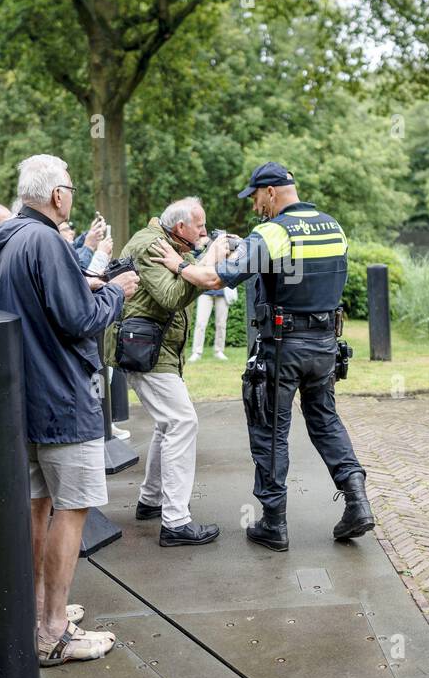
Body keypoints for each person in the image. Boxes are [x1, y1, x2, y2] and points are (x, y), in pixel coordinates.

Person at [154, 162, 373, 552]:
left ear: (271, 191)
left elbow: (218, 278)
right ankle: (357, 500)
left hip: (282, 349)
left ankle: (274, 523)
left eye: (256, 197)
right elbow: (301, 269)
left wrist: (179, 264)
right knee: (325, 421)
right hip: (324, 346)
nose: (256, 206)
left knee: (271, 431)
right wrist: (247, 244)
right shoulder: (332, 226)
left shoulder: (272, 231)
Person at [0, 154, 139, 665]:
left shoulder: (6, 242)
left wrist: (85, 284)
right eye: (69, 188)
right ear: (57, 195)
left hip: (20, 399)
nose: (71, 195)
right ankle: (52, 633)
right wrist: (115, 292)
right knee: (72, 509)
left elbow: (39, 307)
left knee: (36, 509)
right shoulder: (47, 240)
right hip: (62, 399)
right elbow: (78, 321)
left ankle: (33, 616)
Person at [108, 197, 221, 547]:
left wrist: (191, 264)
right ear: (180, 228)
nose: (203, 231)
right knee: (182, 422)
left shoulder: (171, 244)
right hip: (146, 351)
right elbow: (171, 296)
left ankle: (151, 499)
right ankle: (176, 522)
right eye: (199, 226)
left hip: (157, 350)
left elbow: (192, 277)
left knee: (167, 424)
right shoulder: (152, 246)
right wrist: (198, 268)